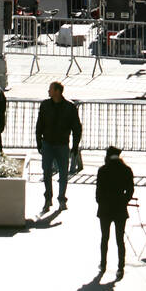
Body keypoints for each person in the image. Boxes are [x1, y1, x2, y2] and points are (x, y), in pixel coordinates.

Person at [35, 80, 82, 212]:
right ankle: (48, 198)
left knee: (63, 173)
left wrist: (75, 145)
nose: (48, 91)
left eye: (50, 89)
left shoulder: (70, 107)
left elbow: (76, 128)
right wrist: (39, 141)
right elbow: (40, 124)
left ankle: (61, 198)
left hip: (62, 144)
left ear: (57, 91)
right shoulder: (45, 105)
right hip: (48, 143)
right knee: (47, 171)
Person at [95, 145, 134, 277]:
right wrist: (124, 201)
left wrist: (100, 202)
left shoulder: (103, 170)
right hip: (120, 209)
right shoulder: (126, 170)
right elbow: (130, 190)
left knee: (104, 238)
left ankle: (103, 264)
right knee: (120, 239)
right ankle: (120, 267)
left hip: (105, 209)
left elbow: (98, 191)